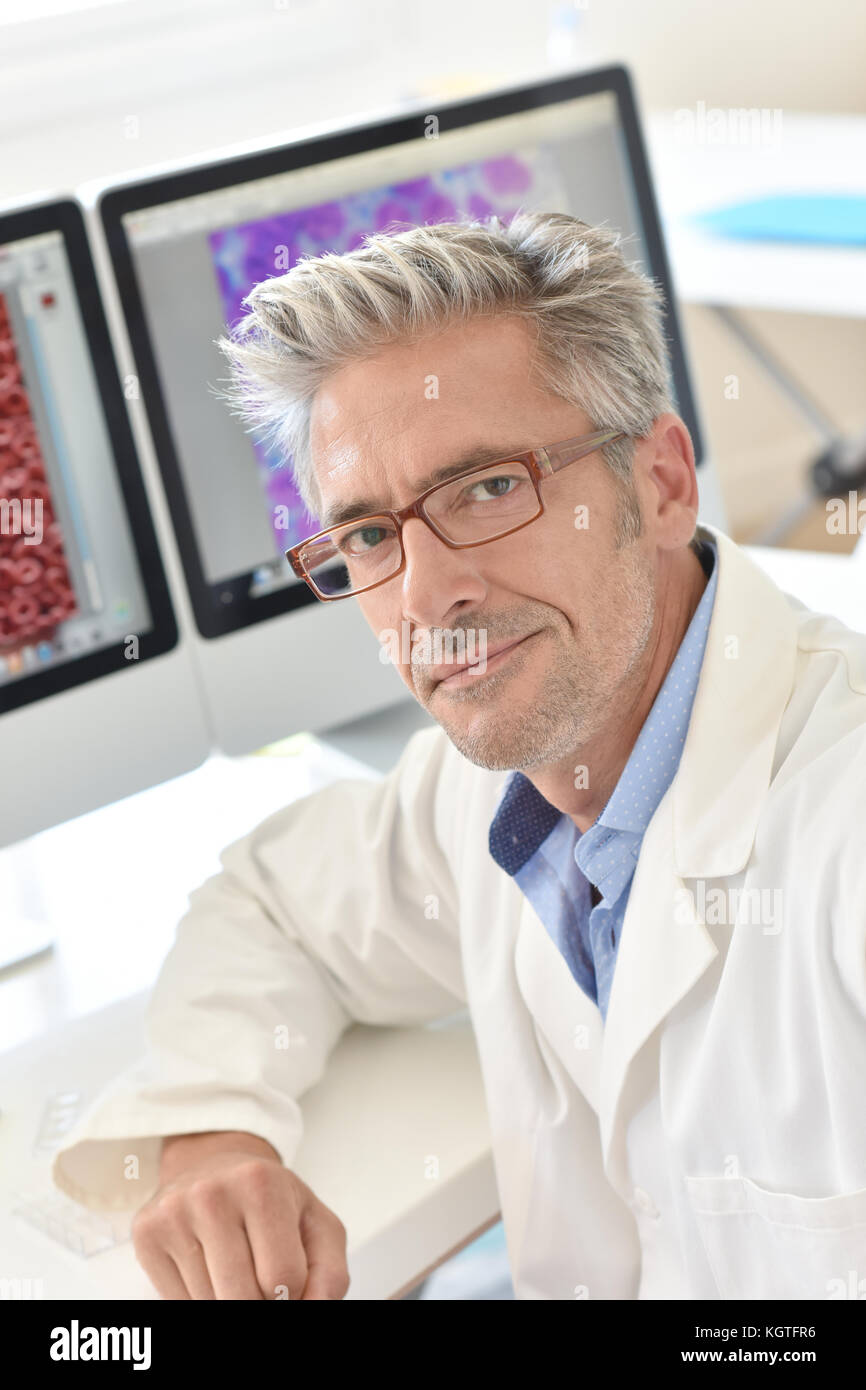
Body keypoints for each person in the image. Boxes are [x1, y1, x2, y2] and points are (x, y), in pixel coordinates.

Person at [52, 211, 866, 1300]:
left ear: (661, 483)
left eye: (488, 487)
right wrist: (210, 1131)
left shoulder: (838, 826)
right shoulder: (498, 782)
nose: (428, 598)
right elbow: (270, 903)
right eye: (370, 536)